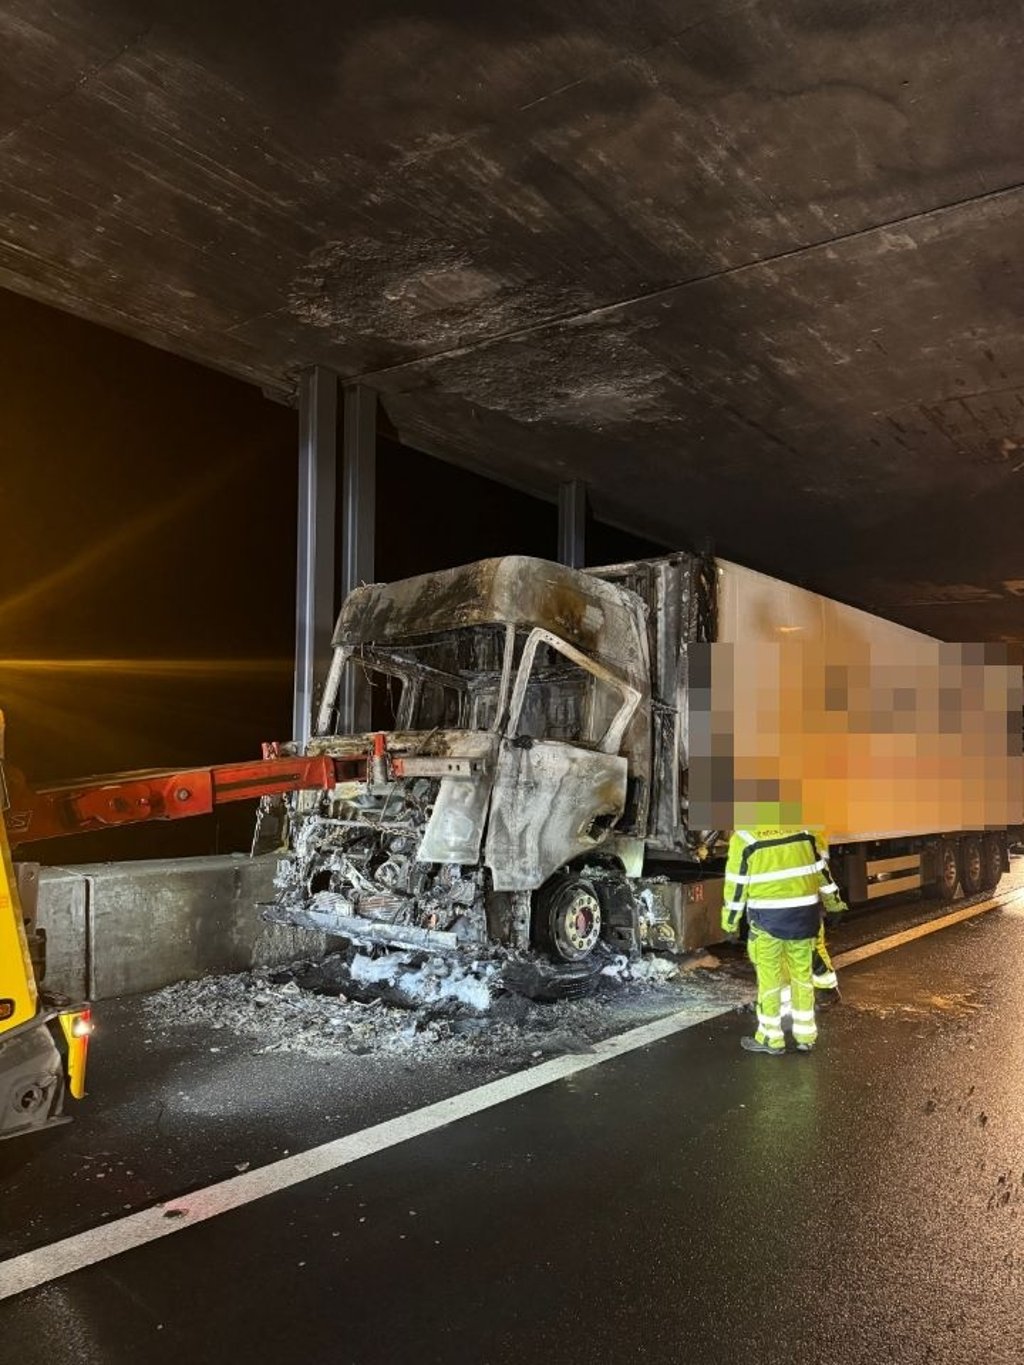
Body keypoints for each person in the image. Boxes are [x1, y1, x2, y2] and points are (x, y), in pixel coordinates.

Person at [722, 825, 847, 1054]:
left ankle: (771, 1038)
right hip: (804, 920)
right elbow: (821, 872)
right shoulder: (803, 832)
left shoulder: (745, 837)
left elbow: (736, 887)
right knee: (801, 976)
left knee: (771, 979)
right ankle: (805, 1036)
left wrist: (730, 922)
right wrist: (834, 903)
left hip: (768, 923)